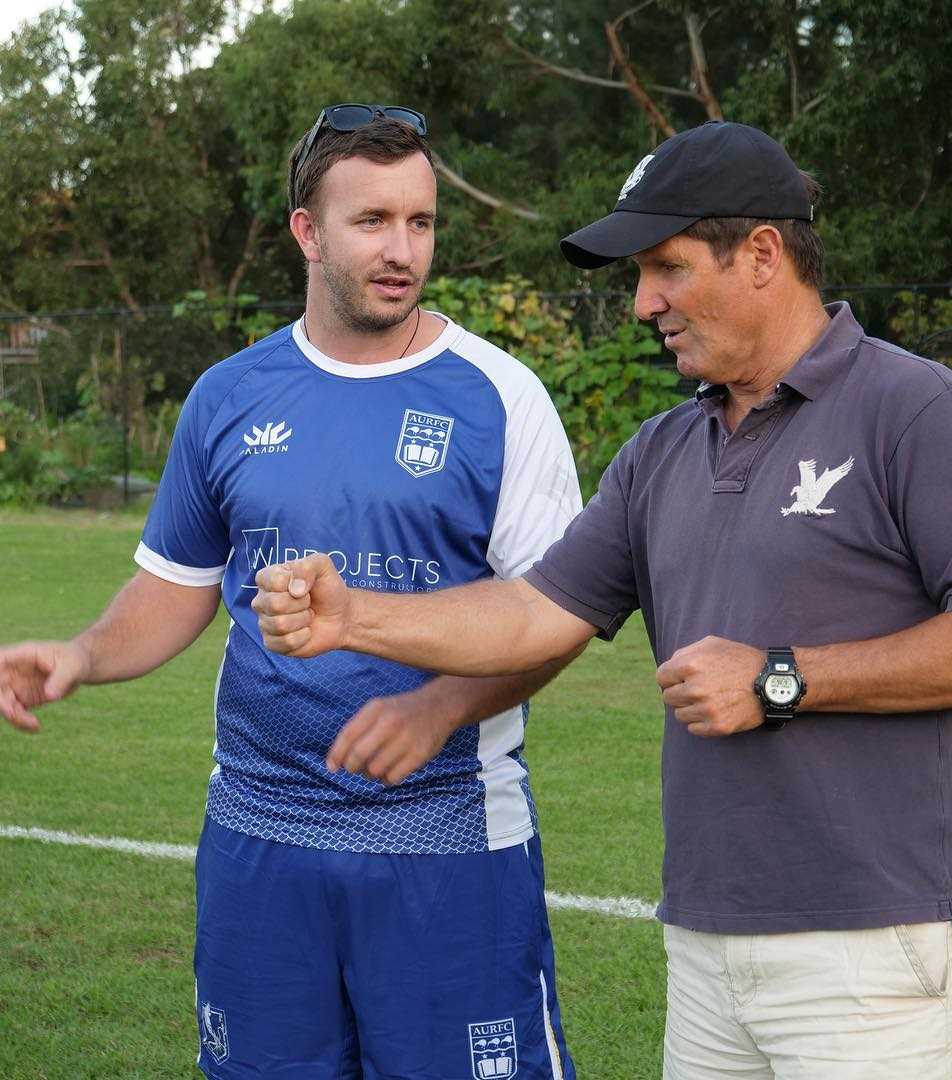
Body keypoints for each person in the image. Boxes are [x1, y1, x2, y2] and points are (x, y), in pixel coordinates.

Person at [252, 121, 952, 1080]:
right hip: (706, 942)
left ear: (762, 254)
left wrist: (781, 681)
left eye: (666, 268)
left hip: (879, 946)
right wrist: (356, 618)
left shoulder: (915, 409)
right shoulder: (662, 451)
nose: (643, 303)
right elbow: (532, 612)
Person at [0, 105, 582, 1080]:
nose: (403, 250)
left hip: (445, 837)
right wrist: (83, 656)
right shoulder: (229, 395)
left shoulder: (499, 395)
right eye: (373, 222)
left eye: (422, 222)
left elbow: (561, 615)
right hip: (258, 838)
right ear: (307, 232)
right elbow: (177, 585)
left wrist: (439, 707)